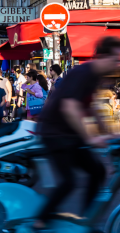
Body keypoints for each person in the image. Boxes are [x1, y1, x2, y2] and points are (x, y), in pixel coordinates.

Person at [33, 36, 120, 230]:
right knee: (68, 181)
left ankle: (86, 220)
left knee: (97, 171)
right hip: (54, 133)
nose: (117, 63)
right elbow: (69, 107)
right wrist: (91, 137)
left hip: (70, 134)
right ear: (102, 56)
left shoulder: (95, 77)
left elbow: (96, 108)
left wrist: (110, 134)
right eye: (115, 59)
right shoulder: (83, 72)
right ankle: (39, 221)